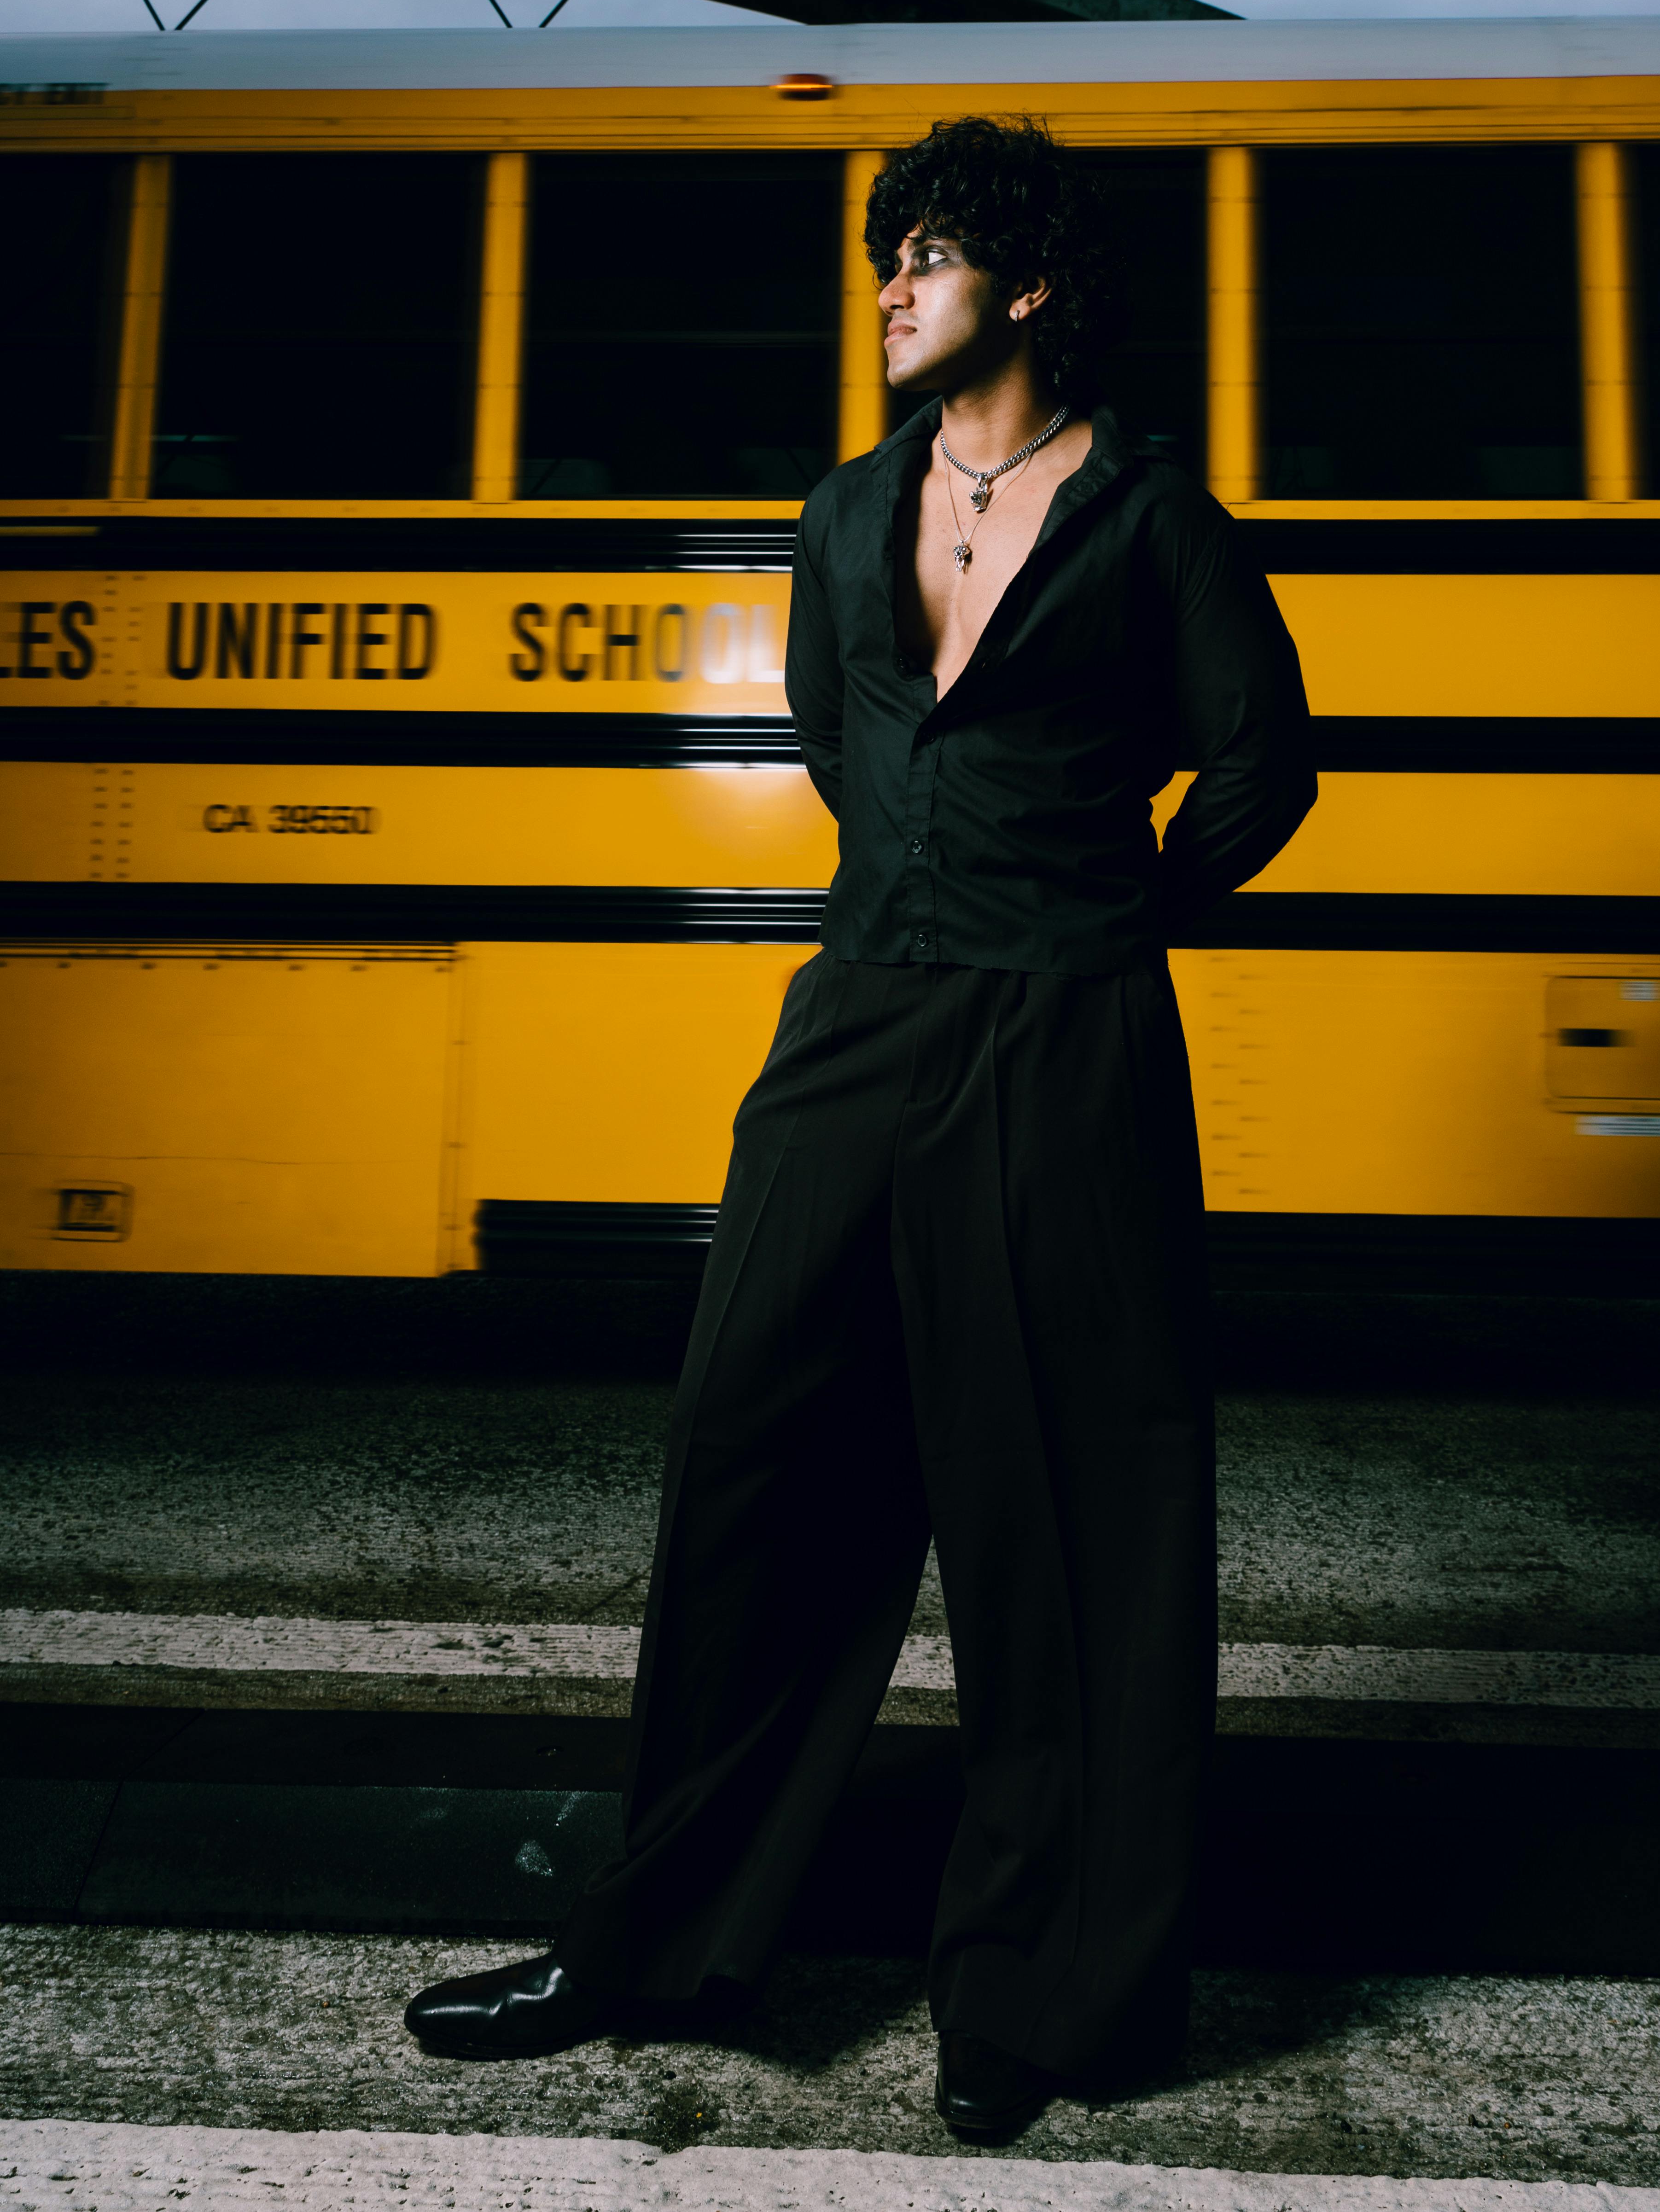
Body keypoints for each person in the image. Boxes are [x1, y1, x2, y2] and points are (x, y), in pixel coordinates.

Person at [406, 116, 1316, 2141]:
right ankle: (653, 1942)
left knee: (1063, 1516)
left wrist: (1107, 917)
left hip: (1067, 1050)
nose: (893, 284)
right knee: (751, 1469)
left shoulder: (1158, 515)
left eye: (927, 252)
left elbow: (1264, 764)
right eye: (885, 254)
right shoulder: (842, 515)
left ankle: (1042, 1997)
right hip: (862, 1031)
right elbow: (846, 740)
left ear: (1030, 284)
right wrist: (931, 898)